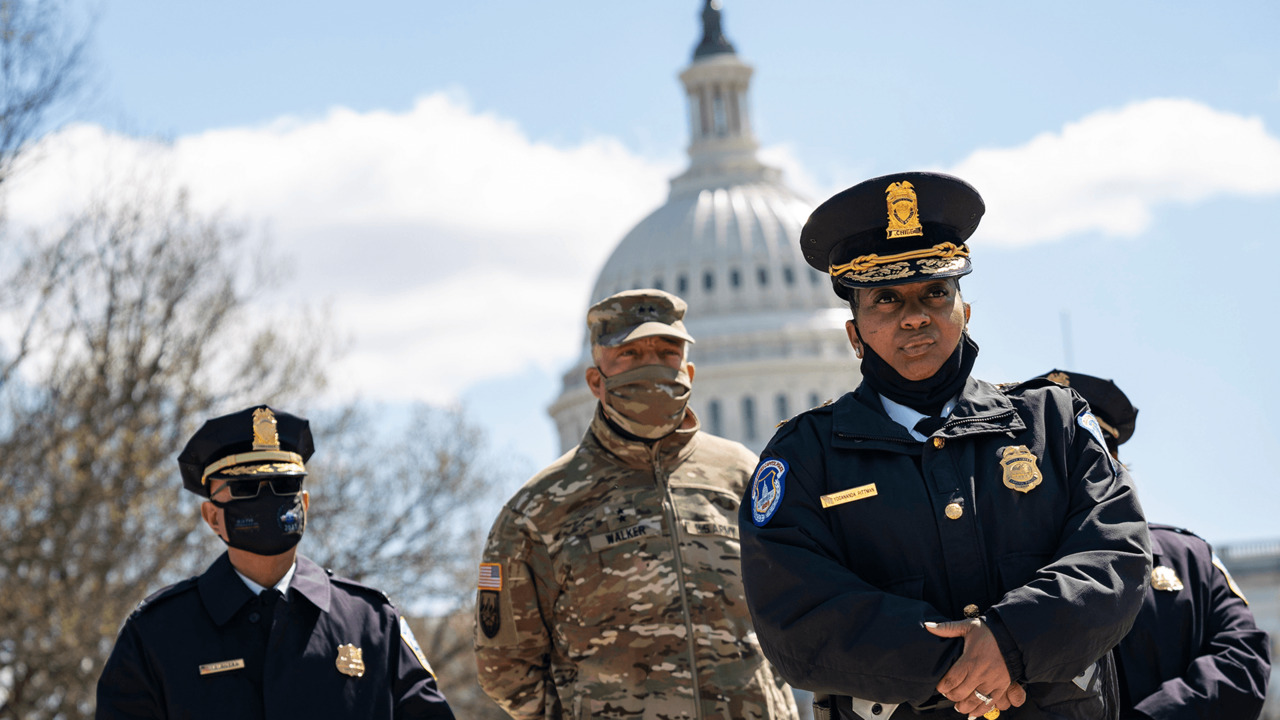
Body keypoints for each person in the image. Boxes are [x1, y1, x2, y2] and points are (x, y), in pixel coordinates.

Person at [738, 171, 1152, 720]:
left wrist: (1009, 640)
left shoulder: (1055, 423)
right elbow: (796, 612)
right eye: (885, 299)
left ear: (966, 309)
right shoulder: (804, 457)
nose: (915, 316)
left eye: (936, 291)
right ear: (854, 333)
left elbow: (1115, 556)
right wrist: (964, 662)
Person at [474, 289, 798, 720]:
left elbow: (801, 607)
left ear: (690, 371)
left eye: (666, 351)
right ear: (595, 381)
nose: (650, 365)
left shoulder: (746, 477)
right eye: (629, 354)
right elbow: (504, 667)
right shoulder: (539, 511)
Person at [96, 405, 455, 719]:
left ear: (306, 504)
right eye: (245, 489)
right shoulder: (158, 634)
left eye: (284, 485)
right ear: (212, 516)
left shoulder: (372, 623)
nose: (267, 499)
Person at [1035, 370, 1272, 720]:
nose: (1083, 476)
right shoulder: (1014, 569)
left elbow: (1243, 661)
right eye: (1066, 461)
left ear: (1118, 467)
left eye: (1096, 459)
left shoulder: (1191, 558)